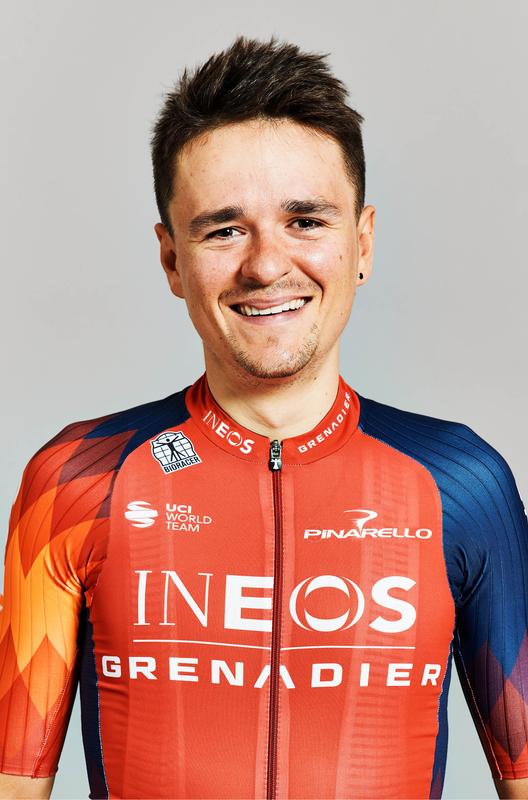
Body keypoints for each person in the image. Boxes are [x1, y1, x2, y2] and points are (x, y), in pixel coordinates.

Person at [0, 34, 527, 800]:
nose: (267, 265)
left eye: (305, 221)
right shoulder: (76, 482)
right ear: (171, 260)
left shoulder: (463, 486)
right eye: (224, 229)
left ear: (363, 242)